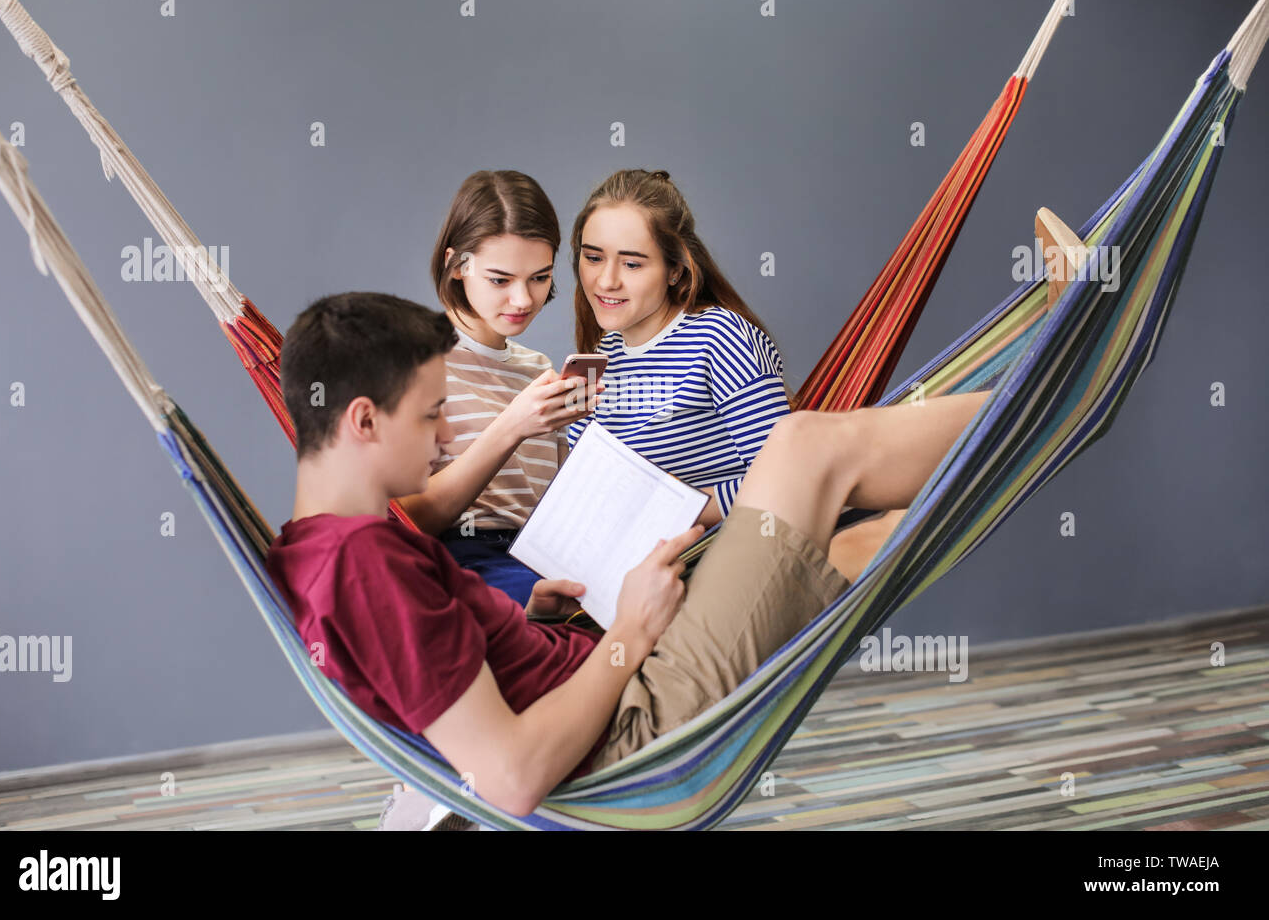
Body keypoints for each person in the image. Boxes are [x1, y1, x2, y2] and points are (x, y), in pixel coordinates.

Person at [265, 292, 990, 818]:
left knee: (854, 538)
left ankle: (1033, 397)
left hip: (599, 669)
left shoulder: (313, 545)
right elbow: (511, 777)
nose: (446, 435)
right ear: (363, 419)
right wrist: (628, 636)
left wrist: (530, 620)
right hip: (637, 733)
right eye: (430, 414)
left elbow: (438, 666)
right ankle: (1045, 378)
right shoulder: (362, 566)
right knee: (802, 448)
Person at [394, 170, 600, 606]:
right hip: (464, 563)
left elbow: (553, 506)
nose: (524, 300)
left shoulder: (537, 368)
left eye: (540, 277)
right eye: (500, 280)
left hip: (546, 556)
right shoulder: (410, 361)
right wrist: (512, 427)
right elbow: (402, 521)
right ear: (458, 266)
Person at [565, 168, 793, 531]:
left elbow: (788, 475)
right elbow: (581, 492)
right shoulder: (594, 360)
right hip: (619, 565)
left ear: (675, 270)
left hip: (720, 552)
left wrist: (668, 513)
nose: (606, 280)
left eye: (632, 263)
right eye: (593, 258)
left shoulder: (720, 337)